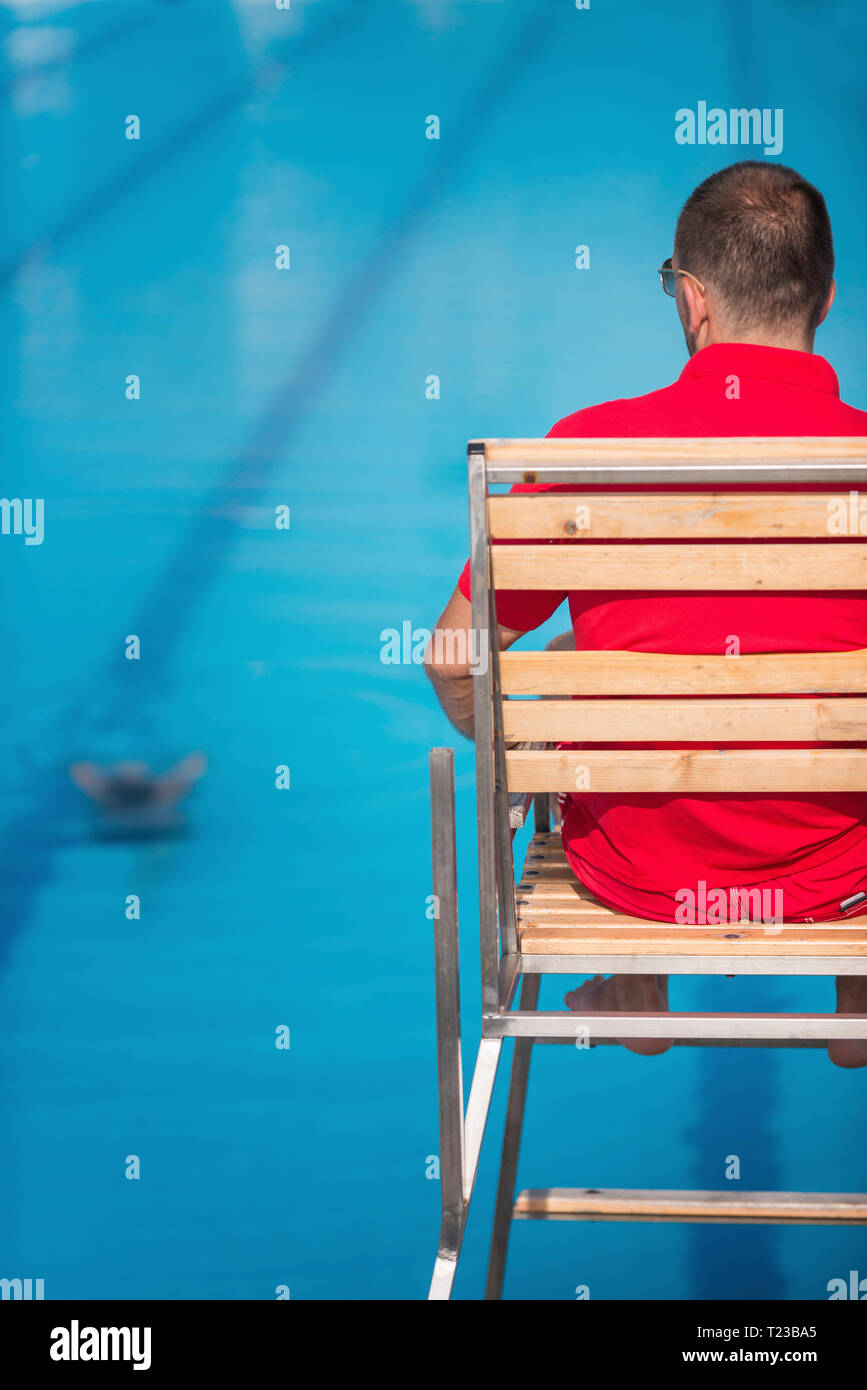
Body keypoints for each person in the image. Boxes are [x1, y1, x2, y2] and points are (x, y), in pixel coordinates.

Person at [425, 161, 867, 1067]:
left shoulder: (588, 451)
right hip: (841, 873)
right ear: (824, 298)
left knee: (583, 646)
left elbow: (450, 655)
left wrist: (524, 751)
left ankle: (634, 983)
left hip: (636, 874)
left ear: (692, 300)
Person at [69, 752, 207, 836]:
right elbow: (193, 769)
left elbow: (79, 770)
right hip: (159, 828)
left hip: (112, 829)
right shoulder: (163, 798)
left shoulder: (106, 798)